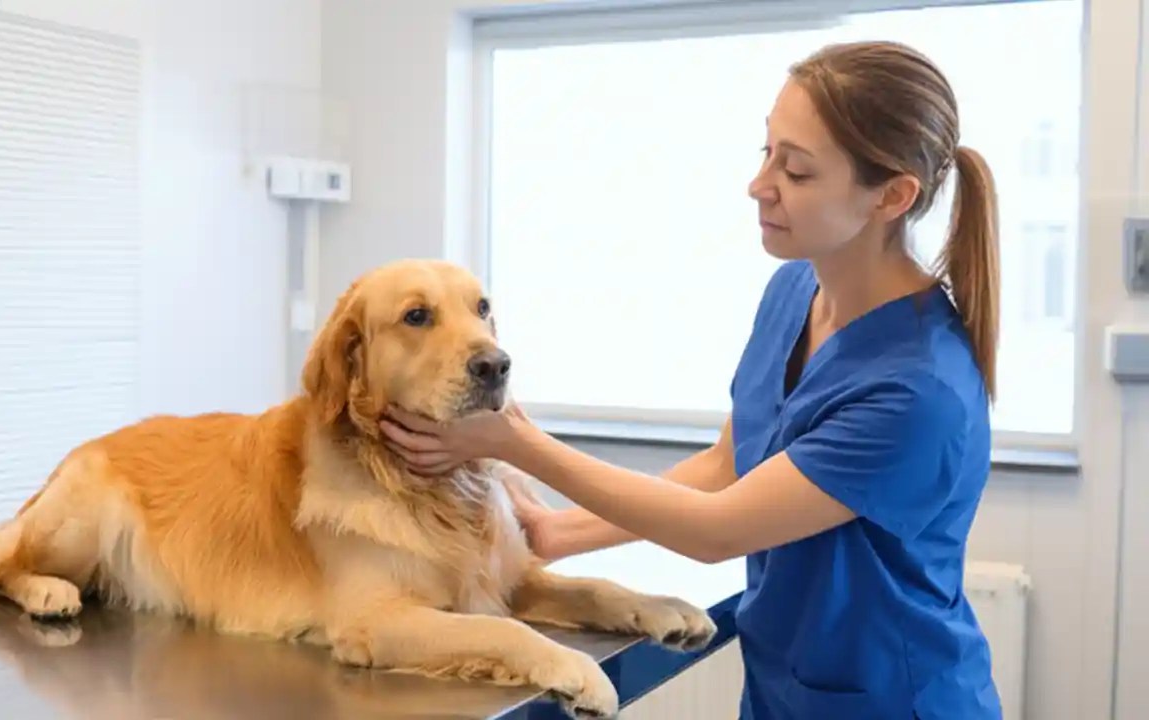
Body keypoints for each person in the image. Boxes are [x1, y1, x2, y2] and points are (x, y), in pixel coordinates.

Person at [380, 39, 1002, 720]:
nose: (760, 185)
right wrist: (557, 533)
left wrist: (514, 442)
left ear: (893, 196)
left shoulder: (917, 393)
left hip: (892, 701)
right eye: (766, 152)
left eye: (796, 172)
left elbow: (717, 530)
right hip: (782, 692)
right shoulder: (794, 292)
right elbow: (728, 465)